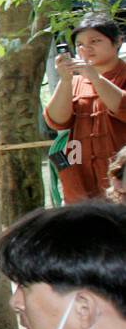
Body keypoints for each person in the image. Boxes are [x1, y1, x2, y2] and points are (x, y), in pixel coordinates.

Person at [43, 14, 126, 203]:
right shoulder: (77, 81)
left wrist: (95, 78)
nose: (86, 48)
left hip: (121, 178)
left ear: (117, 41)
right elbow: (57, 121)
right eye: (79, 44)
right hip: (81, 177)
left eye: (95, 41)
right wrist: (65, 80)